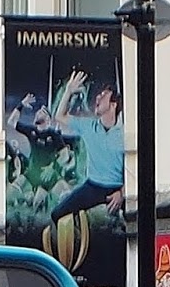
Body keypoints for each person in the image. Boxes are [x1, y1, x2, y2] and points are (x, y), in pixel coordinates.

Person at [38, 70, 126, 222]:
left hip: (117, 187)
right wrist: (69, 91)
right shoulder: (89, 126)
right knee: (57, 214)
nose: (98, 97)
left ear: (113, 104)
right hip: (93, 186)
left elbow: (138, 167)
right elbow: (60, 116)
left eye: (103, 95)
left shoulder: (125, 132)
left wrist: (122, 193)